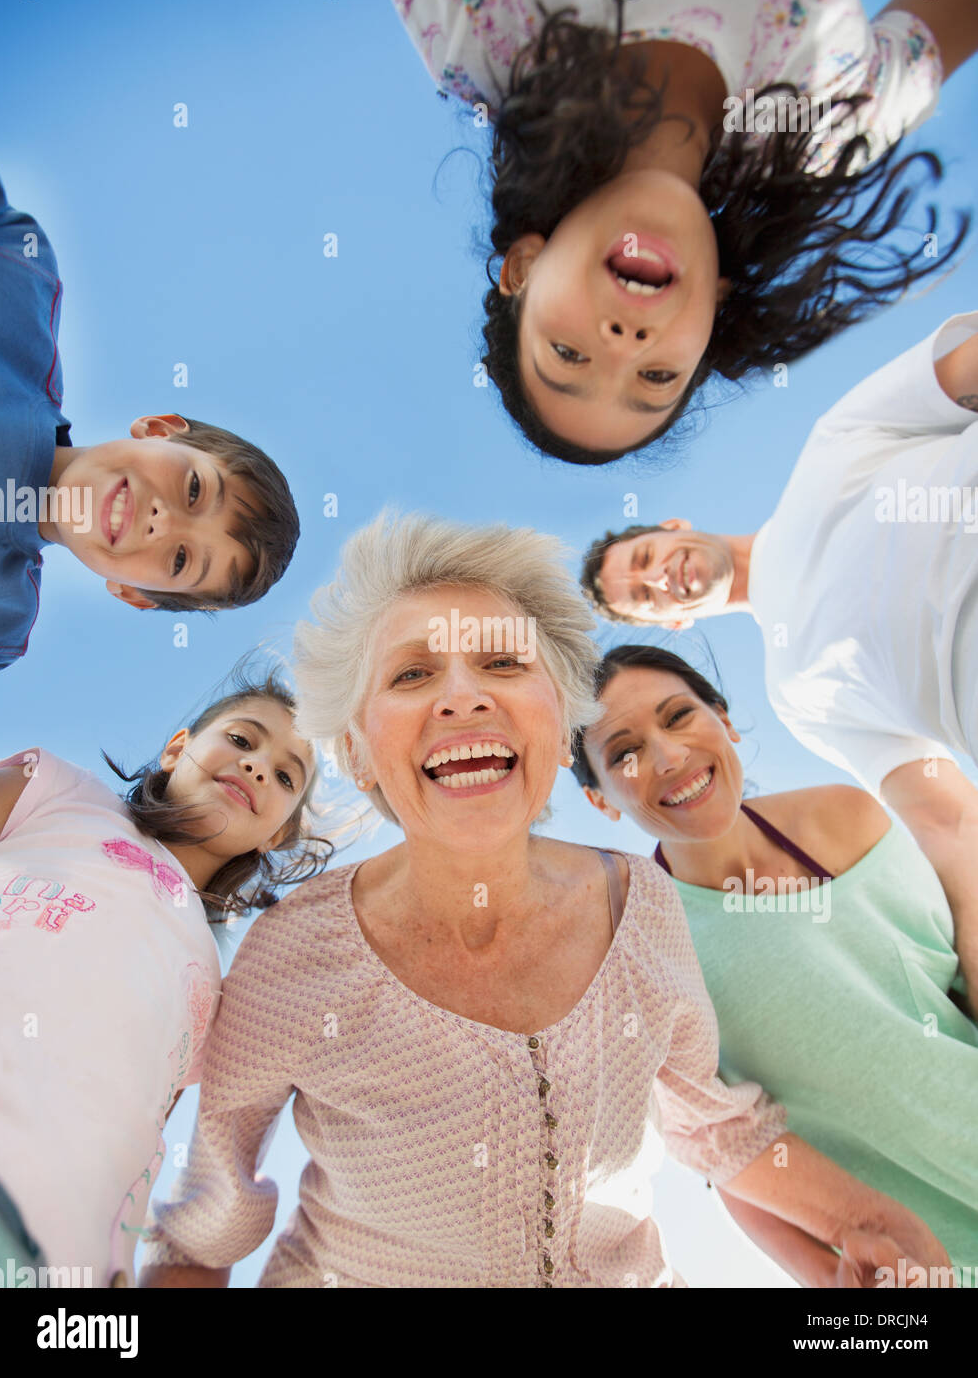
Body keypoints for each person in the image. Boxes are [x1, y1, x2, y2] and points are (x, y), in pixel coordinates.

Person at [140, 512, 948, 1289]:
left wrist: (864, 1222)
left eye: (501, 664)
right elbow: (203, 1230)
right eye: (413, 674)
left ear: (560, 726)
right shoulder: (290, 953)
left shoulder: (645, 906)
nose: (462, 698)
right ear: (357, 750)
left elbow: (711, 1123)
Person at [389, 0, 976, 464]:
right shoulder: (831, 128)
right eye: (656, 376)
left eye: (567, 353)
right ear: (715, 312)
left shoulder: (477, 34)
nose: (624, 344)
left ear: (523, 268)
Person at [581, 308, 978, 1011]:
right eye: (641, 598)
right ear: (669, 620)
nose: (656, 576)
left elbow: (959, 369)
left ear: (673, 526)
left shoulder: (831, 449)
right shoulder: (799, 696)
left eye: (643, 558)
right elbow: (947, 822)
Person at [574, 644, 978, 1287]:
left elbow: (955, 972)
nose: (668, 757)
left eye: (679, 716)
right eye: (624, 752)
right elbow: (725, 1144)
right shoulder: (643, 950)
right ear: (601, 801)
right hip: (925, 1262)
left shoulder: (844, 818)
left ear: (725, 720)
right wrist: (822, 1275)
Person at [0, 669, 327, 1287]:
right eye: (243, 740)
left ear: (279, 831)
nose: (257, 767)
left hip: (54, 1245)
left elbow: (146, 1122)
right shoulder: (63, 796)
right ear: (177, 749)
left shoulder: (217, 985)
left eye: (284, 777)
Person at [0, 152, 300, 677]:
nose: (163, 521)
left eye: (180, 560)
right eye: (196, 490)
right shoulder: (21, 282)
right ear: (159, 430)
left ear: (134, 594)